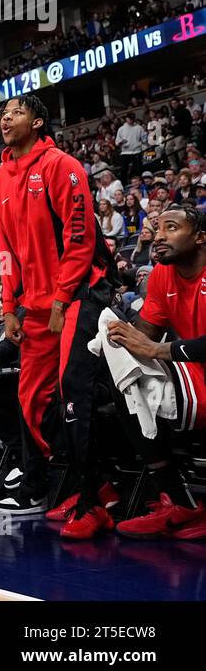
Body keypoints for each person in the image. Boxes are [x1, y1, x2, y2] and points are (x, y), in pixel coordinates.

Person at [0, 94, 117, 534]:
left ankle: (93, 501)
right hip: (34, 306)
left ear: (38, 121)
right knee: (29, 397)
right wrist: (9, 307)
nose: (6, 117)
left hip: (79, 292)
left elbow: (80, 239)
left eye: (17, 111)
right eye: (2, 113)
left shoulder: (63, 165)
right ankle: (45, 483)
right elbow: (5, 251)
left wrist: (62, 300)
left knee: (74, 390)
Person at [103, 205, 206, 539]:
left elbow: (154, 347)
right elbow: (143, 334)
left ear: (200, 238)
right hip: (194, 376)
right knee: (120, 378)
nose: (159, 238)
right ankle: (176, 499)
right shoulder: (163, 274)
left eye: (171, 228)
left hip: (193, 372)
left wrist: (161, 351)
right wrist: (112, 333)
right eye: (157, 229)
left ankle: (181, 501)